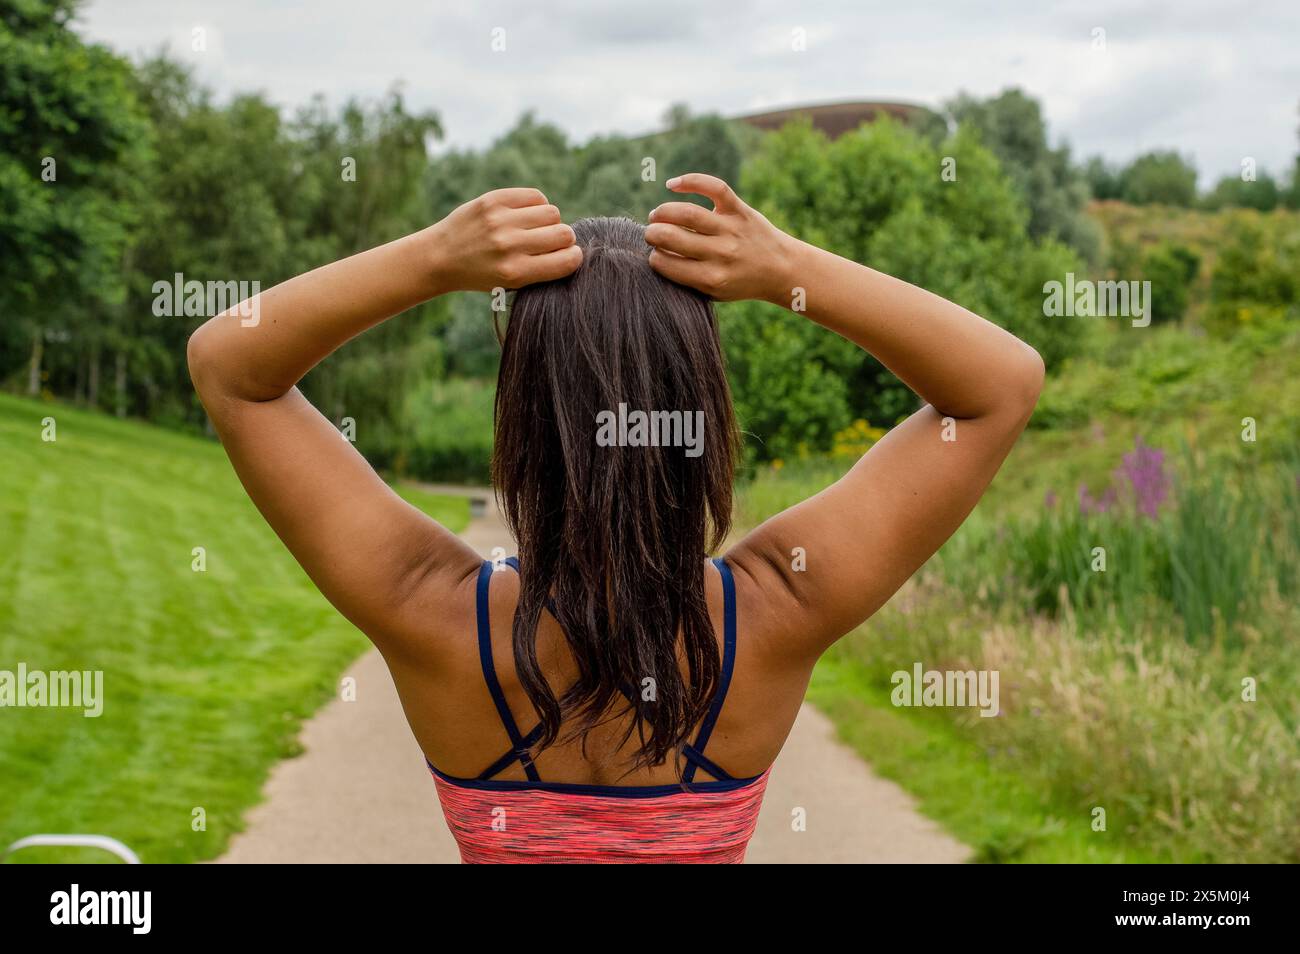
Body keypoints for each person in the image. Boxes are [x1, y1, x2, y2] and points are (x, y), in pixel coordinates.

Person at [187, 173, 1043, 863]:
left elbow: (230, 365)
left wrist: (437, 259)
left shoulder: (429, 612)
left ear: (522, 416)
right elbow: (999, 385)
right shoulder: (778, 609)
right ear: (699, 410)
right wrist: (788, 268)